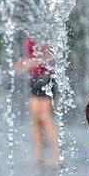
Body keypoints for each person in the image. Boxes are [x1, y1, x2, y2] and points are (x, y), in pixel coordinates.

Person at [17, 36, 59, 168]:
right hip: (34, 78)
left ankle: (56, 155)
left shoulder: (44, 31)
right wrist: (23, 64)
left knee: (45, 117)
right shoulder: (28, 34)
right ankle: (39, 156)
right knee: (36, 118)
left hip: (47, 77)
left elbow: (49, 56)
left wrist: (29, 63)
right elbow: (29, 55)